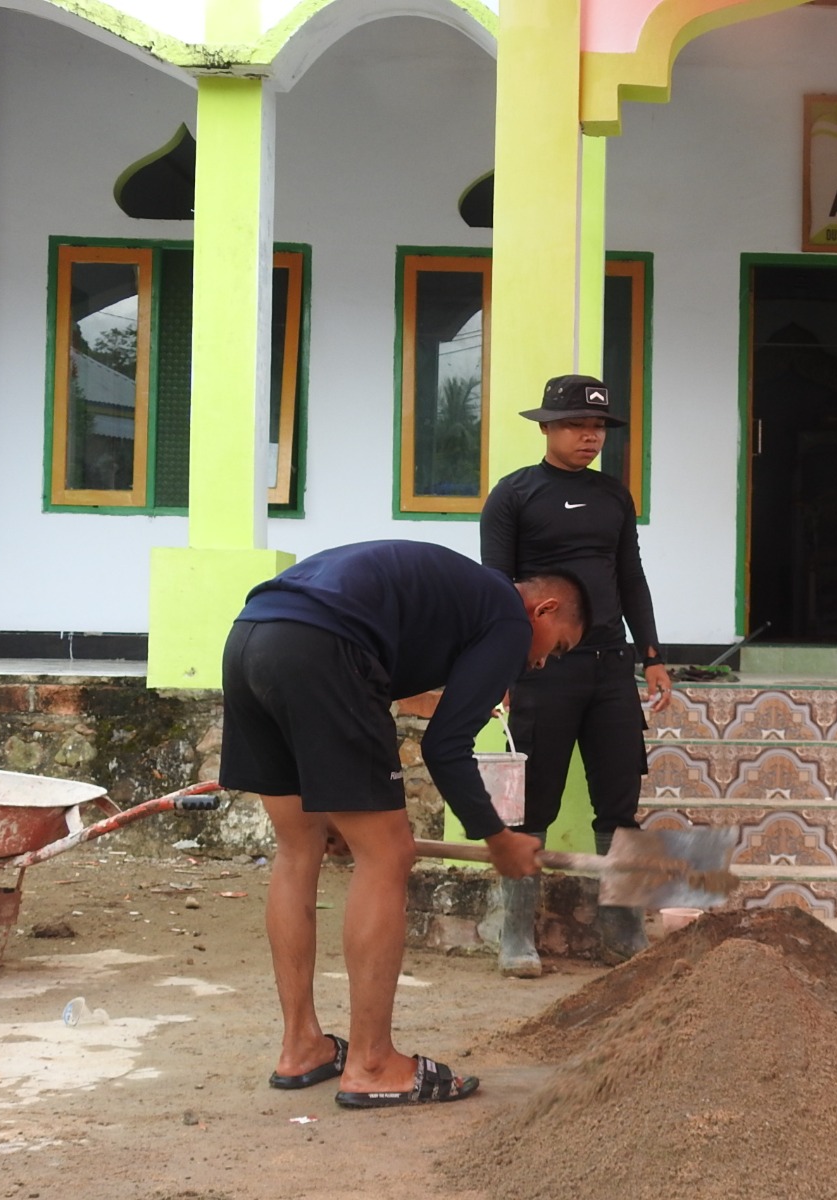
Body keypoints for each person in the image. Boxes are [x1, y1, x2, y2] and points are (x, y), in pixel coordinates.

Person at [219, 539, 587, 1108]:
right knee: (388, 854)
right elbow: (447, 746)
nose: (540, 662)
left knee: (299, 846)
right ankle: (371, 1064)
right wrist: (498, 836)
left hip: (252, 637)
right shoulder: (507, 619)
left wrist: (341, 804)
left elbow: (385, 683)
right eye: (556, 647)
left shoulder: (457, 597)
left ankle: (302, 1047)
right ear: (543, 611)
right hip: (323, 645)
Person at [480, 373, 671, 974]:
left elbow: (630, 577)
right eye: (575, 425)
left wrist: (653, 655)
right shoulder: (513, 495)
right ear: (546, 428)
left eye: (597, 427)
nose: (589, 436)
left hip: (610, 668)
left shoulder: (614, 497)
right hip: (544, 670)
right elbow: (497, 590)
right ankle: (517, 935)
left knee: (620, 801)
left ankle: (624, 934)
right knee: (534, 803)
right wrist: (503, 669)